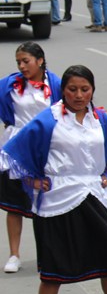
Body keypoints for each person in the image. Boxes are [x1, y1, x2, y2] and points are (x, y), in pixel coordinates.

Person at [0, 65, 107, 294]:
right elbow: (13, 153)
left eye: (84, 89)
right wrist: (33, 182)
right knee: (54, 268)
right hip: (57, 201)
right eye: (72, 89)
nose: (78, 94)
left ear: (92, 90)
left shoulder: (100, 119)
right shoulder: (48, 121)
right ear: (63, 90)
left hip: (93, 197)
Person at [0, 43, 60, 274]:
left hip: (47, 149)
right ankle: (14, 254)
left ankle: (46, 254)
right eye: (18, 62)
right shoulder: (10, 86)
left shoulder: (55, 85)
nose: (22, 66)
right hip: (15, 151)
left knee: (46, 202)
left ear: (40, 60)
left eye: (26, 61)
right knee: (14, 205)